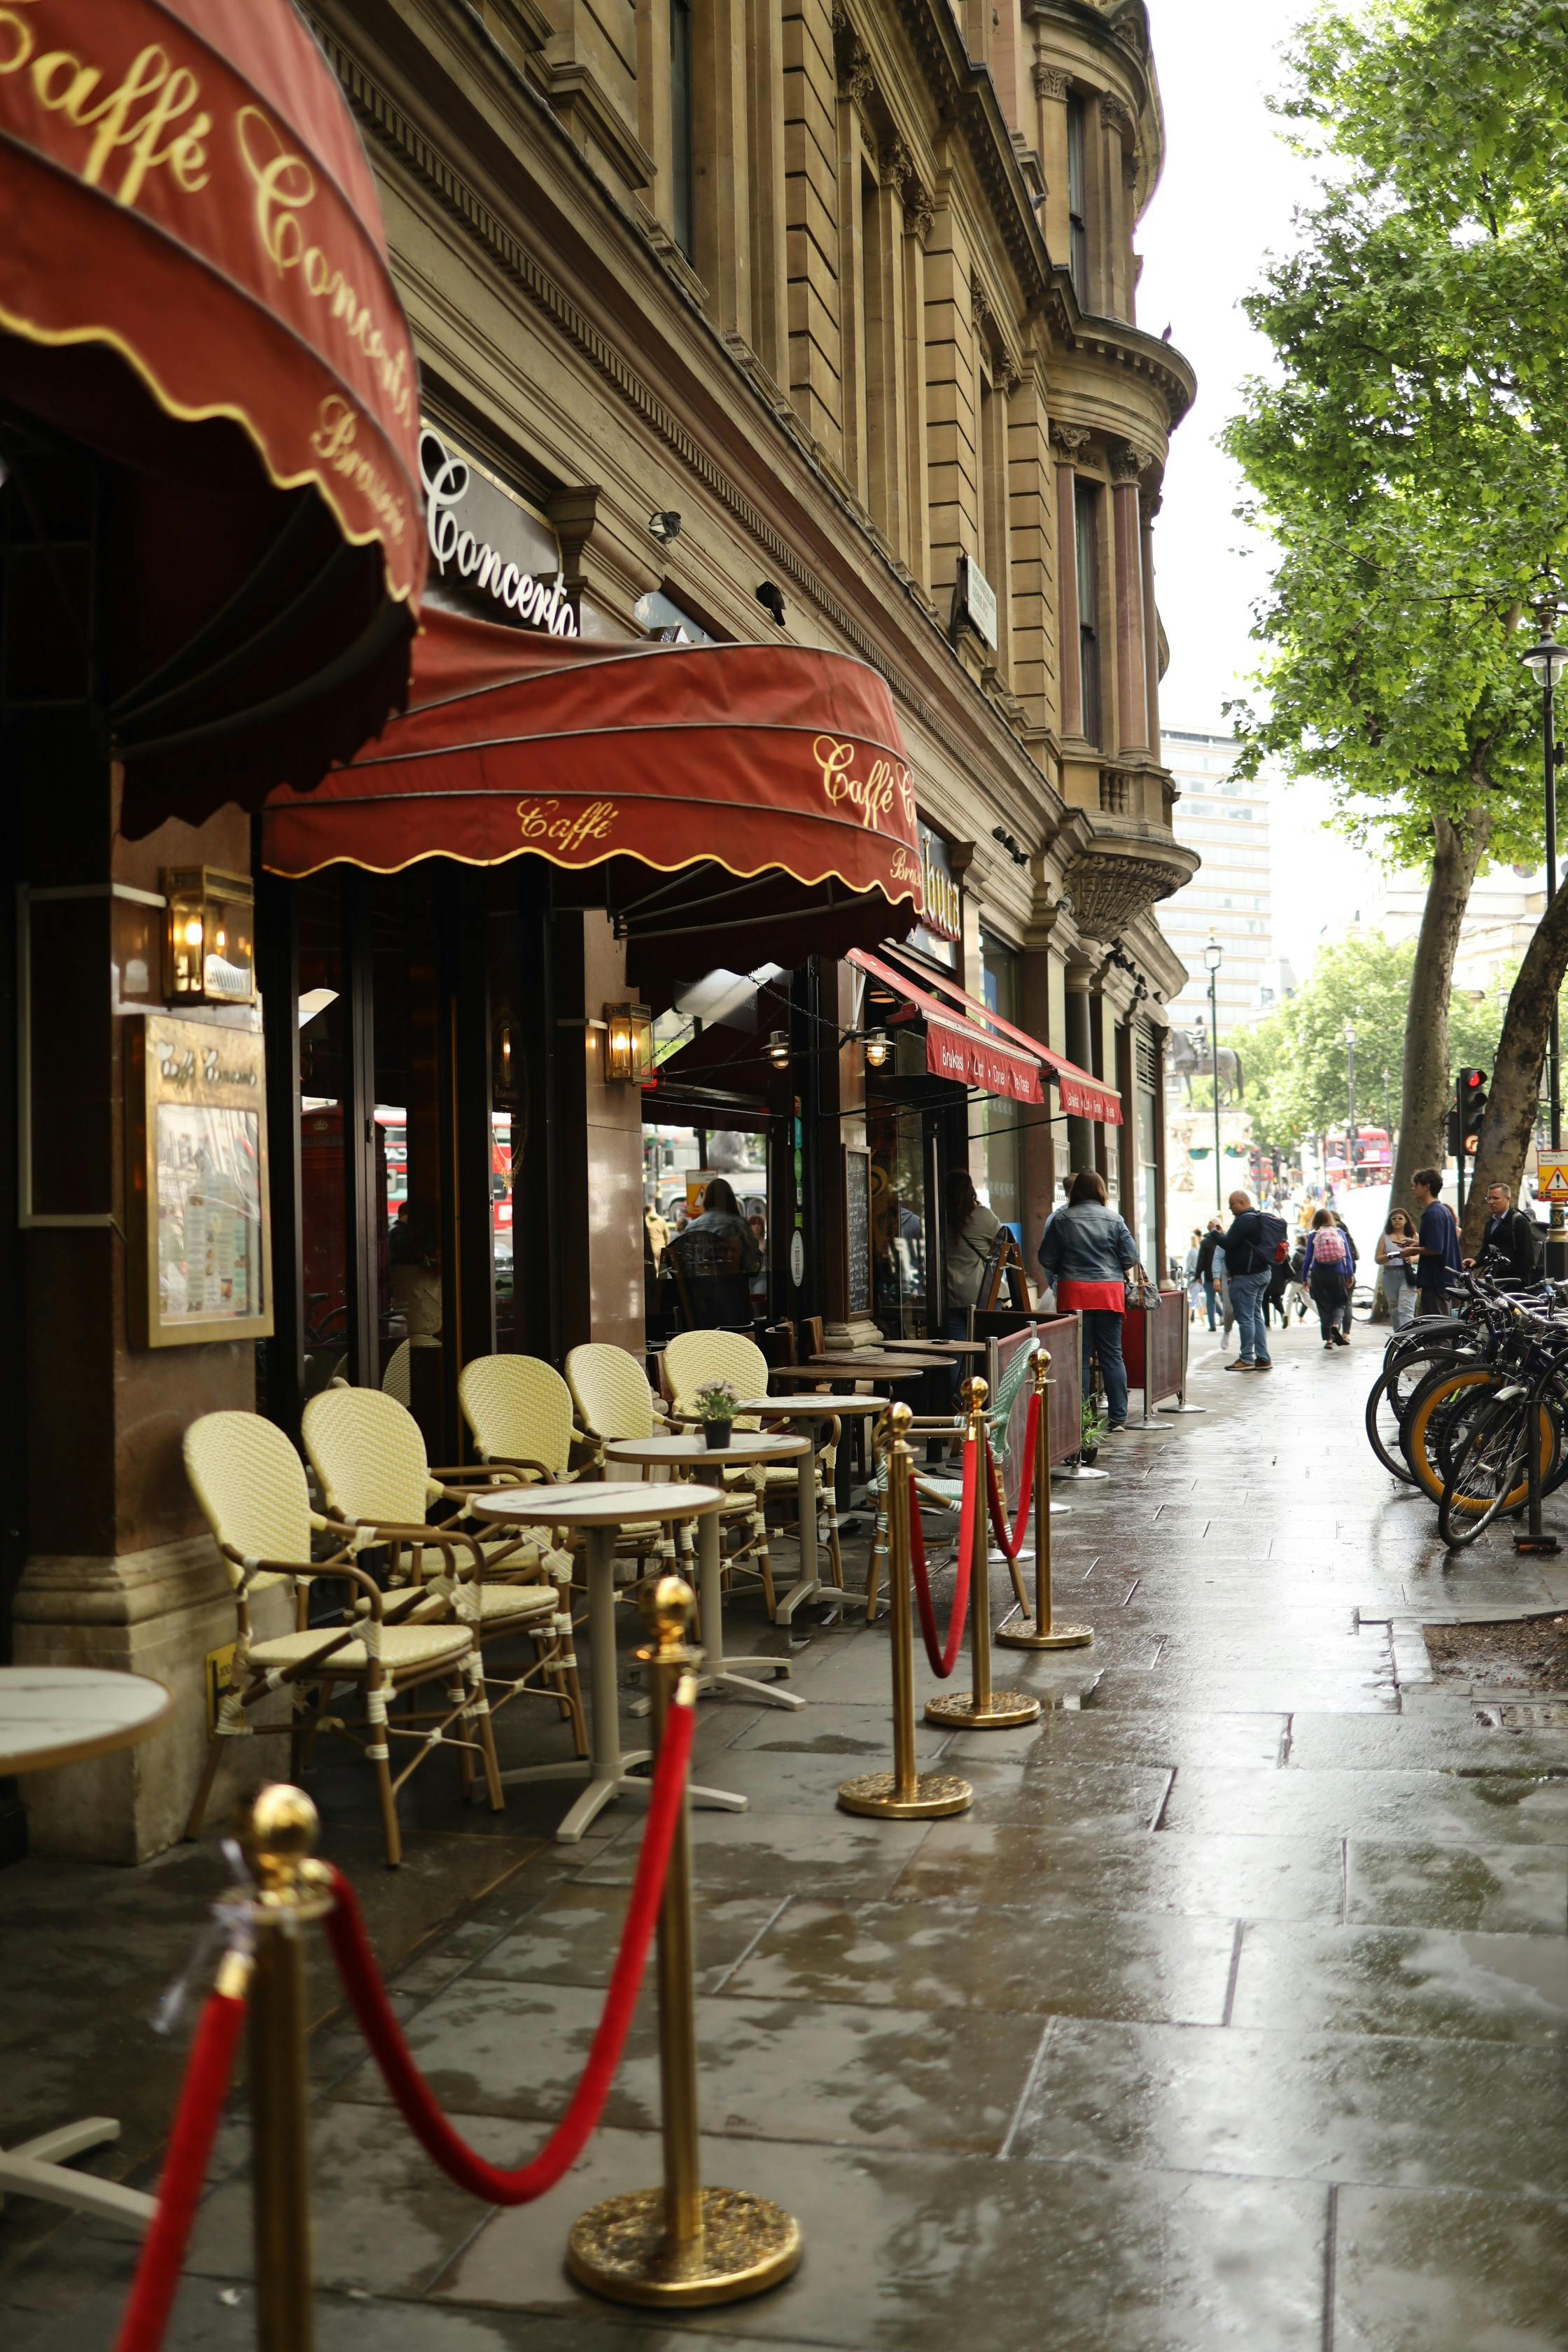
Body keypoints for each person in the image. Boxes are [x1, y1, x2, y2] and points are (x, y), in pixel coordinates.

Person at [1037, 1168, 1139, 1433]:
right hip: (1108, 1293)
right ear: (1101, 1191)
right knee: (1112, 1355)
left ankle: (1082, 1418)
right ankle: (1118, 1417)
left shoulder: (1062, 1219)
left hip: (1074, 1292)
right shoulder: (1115, 1219)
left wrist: (1065, 1267)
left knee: (1079, 1358)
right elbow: (1131, 1257)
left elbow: (1046, 1258)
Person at [667, 1176, 762, 1328]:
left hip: (698, 1309)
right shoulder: (738, 1225)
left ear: (706, 1199)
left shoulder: (691, 1228)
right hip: (733, 1306)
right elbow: (753, 1266)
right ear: (730, 1199)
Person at [1219, 1188, 1286, 1372]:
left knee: (1246, 1318)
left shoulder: (1244, 1220)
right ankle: (1263, 1358)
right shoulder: (1256, 1219)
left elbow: (1228, 1243)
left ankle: (1247, 1358)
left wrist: (1214, 1233)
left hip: (1247, 1277)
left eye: (1232, 1205)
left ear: (1242, 1203)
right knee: (1256, 1316)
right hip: (1262, 1273)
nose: (1230, 1209)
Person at [944, 1168, 1004, 1338]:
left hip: (951, 1296)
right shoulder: (983, 1215)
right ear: (970, 1190)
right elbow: (1005, 1244)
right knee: (990, 1349)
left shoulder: (941, 1218)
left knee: (958, 1351)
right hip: (983, 1295)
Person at [1402, 1166, 1463, 1316]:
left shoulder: (1432, 1214)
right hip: (1444, 1279)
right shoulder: (1443, 1211)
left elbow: (1435, 1249)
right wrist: (1417, 1244)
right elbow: (1441, 1242)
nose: (1413, 1188)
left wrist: (1412, 1250)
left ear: (1427, 1186)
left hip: (1436, 1280)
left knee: (1437, 1324)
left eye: (1416, 1185)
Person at [1467, 1181, 1544, 1284]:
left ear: (1508, 1199)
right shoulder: (1490, 1223)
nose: (1491, 1202)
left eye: (1496, 1198)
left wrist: (1519, 1279)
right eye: (1489, 1198)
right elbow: (1487, 1250)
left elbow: (1527, 1255)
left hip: (1514, 1282)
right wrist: (1475, 1261)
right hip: (1494, 1280)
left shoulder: (1519, 1221)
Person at [1303, 1208, 1352, 1349]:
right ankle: (1336, 1325)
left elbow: (1308, 1259)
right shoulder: (1339, 1232)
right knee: (1340, 1302)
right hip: (1338, 1273)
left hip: (1319, 1274)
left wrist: (1304, 1278)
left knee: (1323, 1306)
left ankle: (1329, 1340)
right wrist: (1350, 1274)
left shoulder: (1314, 1235)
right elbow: (1348, 1255)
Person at [1376, 1208, 1418, 1331]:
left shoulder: (1413, 1236)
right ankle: (1398, 1336)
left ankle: (1407, 1338)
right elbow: (1378, 1259)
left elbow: (1423, 1253)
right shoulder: (1385, 1237)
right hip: (1390, 1275)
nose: (1397, 1221)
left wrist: (1413, 1258)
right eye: (1394, 1219)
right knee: (1394, 1309)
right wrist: (1389, 1256)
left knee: (1406, 1308)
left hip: (1408, 1275)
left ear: (1406, 1221)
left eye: (1400, 1218)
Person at [1330, 1210, 1358, 1338]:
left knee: (1334, 1304)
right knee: (1348, 1302)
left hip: (1332, 1271)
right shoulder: (1344, 1229)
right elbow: (1350, 1253)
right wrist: (1350, 1273)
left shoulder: (1327, 1230)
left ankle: (1333, 1332)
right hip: (1348, 1270)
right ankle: (1346, 1334)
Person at [1194, 1217, 1223, 1331]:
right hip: (1222, 1276)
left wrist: (1198, 1275)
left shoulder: (1205, 1242)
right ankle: (1227, 1324)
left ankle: (1212, 1326)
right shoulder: (1224, 1239)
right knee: (1225, 1300)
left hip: (1209, 1276)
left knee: (1211, 1302)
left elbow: (1201, 1260)